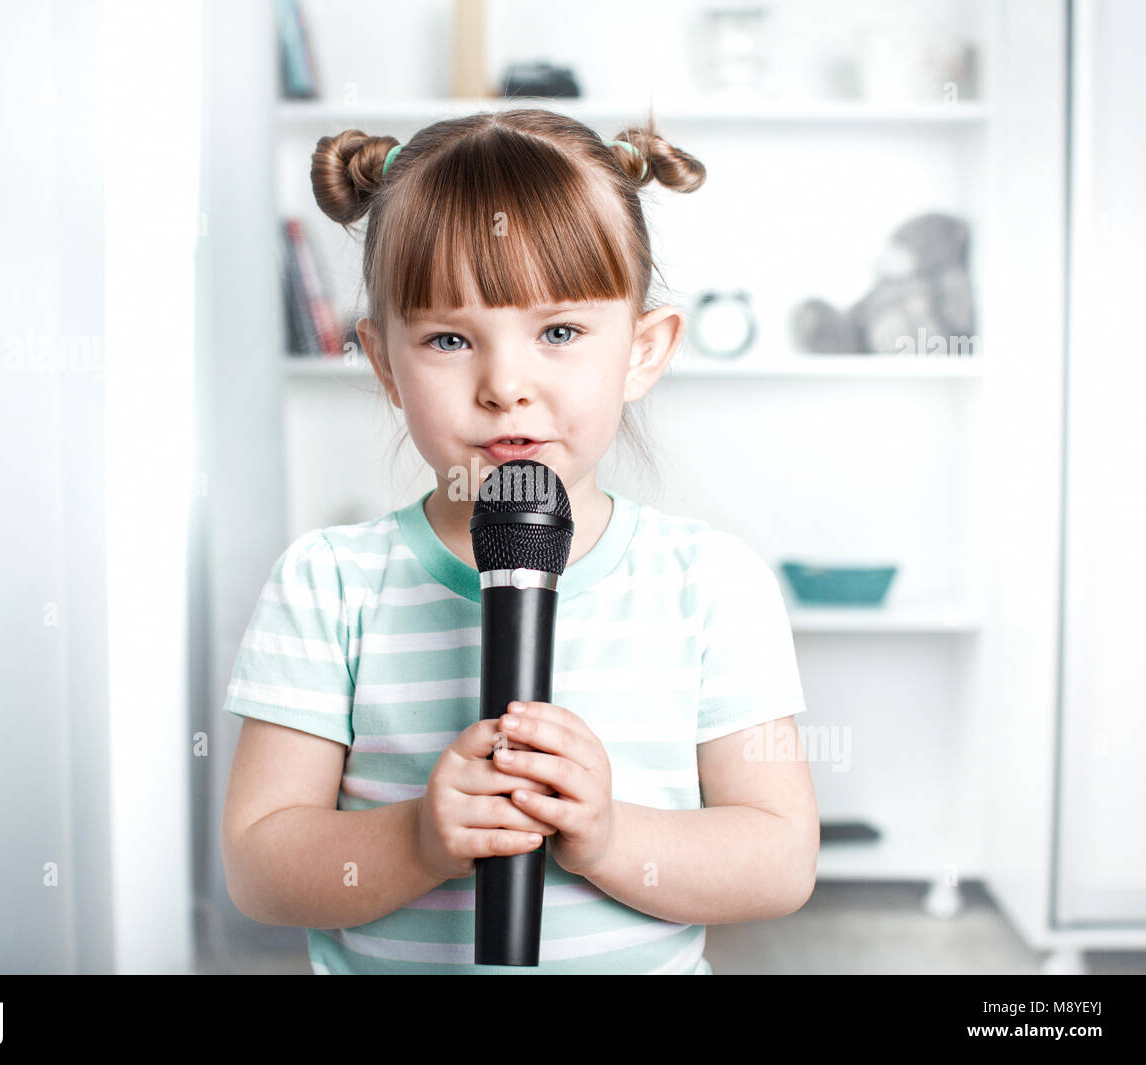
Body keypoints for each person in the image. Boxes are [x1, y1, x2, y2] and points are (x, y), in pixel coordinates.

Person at [221, 108, 818, 974]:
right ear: (384, 362)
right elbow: (260, 869)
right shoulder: (329, 585)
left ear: (643, 351)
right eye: (450, 338)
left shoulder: (711, 585)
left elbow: (778, 860)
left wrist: (609, 835)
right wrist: (419, 839)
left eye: (560, 332)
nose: (506, 385)